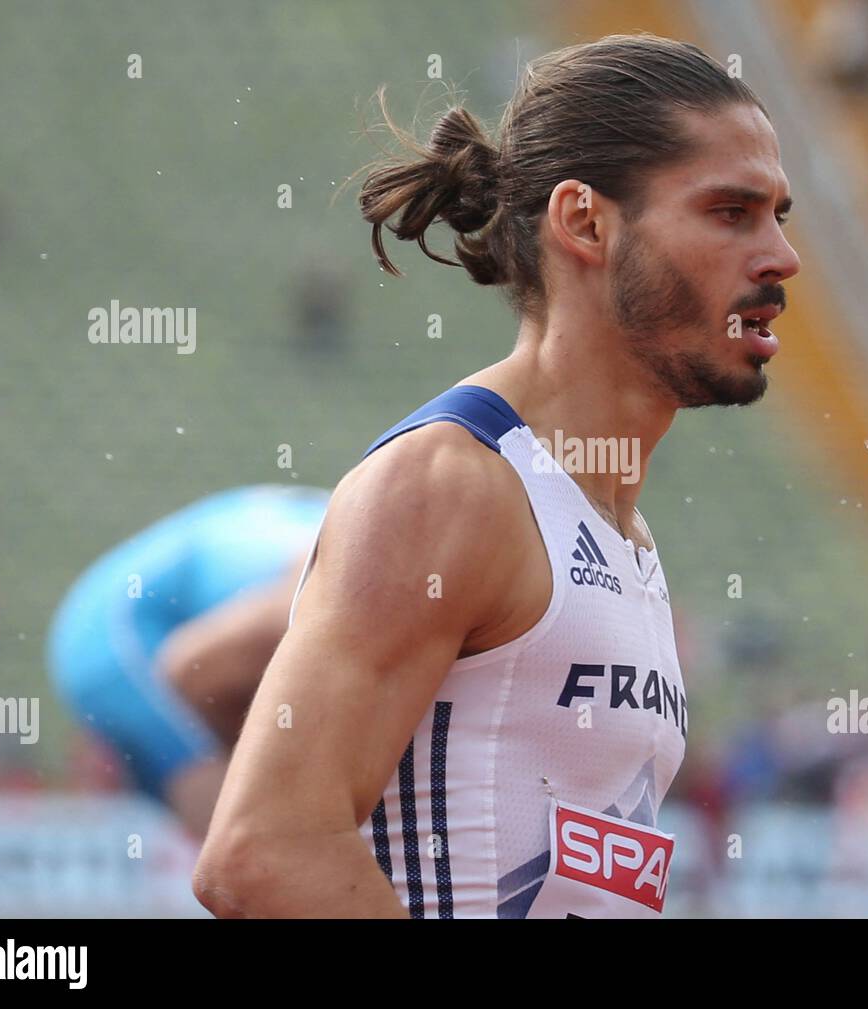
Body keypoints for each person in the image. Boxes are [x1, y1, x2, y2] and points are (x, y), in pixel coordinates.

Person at [194, 32, 800, 919]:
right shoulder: (449, 484)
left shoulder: (621, 532)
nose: (781, 255)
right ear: (585, 221)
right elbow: (263, 853)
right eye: (731, 212)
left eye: (782, 215)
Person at [46, 484, 330, 839]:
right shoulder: (323, 584)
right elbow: (184, 666)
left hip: (161, 606)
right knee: (248, 840)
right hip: (114, 636)